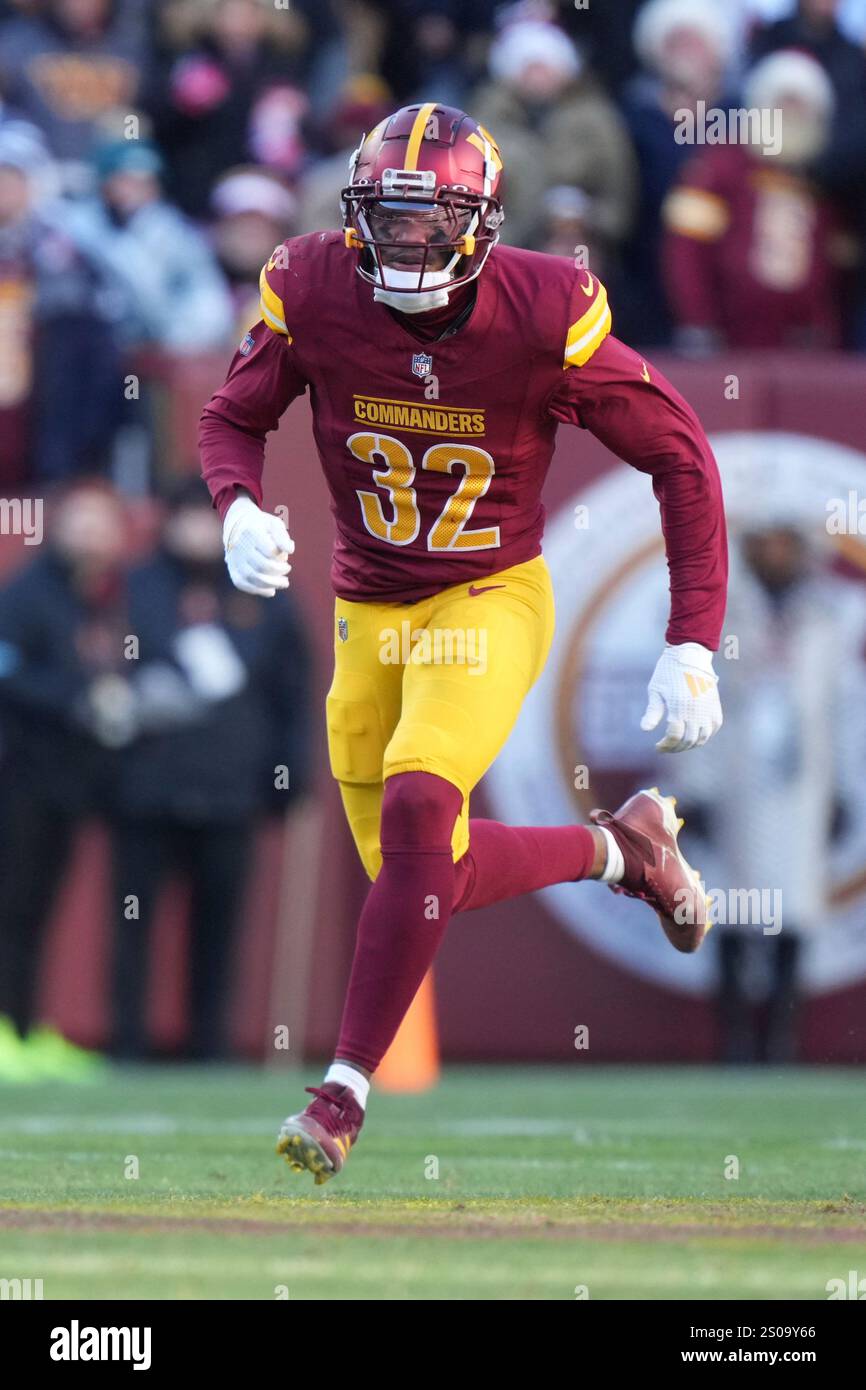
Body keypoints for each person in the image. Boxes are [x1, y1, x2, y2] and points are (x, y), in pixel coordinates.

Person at [199, 102, 727, 1184]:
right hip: (365, 611)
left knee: (415, 810)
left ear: (479, 225)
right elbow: (230, 417)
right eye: (383, 218)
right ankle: (620, 849)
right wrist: (236, 507)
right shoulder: (310, 283)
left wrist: (692, 640)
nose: (400, 242)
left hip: (486, 596)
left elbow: (679, 454)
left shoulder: (544, 310)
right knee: (419, 873)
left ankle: (340, 1093)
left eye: (424, 221)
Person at [110, 478, 312, 1061]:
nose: (197, 530)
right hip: (145, 789)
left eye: (208, 517)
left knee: (220, 927)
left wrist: (290, 776)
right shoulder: (135, 586)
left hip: (233, 791)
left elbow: (292, 693)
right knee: (133, 922)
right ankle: (127, 1043)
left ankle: (211, 1044)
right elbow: (102, 667)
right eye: (186, 517)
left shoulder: (262, 586)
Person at [0, 479, 131, 1081]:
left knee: (41, 907)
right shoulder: (29, 592)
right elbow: (9, 671)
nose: (92, 533)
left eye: (102, 521)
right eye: (81, 520)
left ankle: (26, 1027)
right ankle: (7, 1029)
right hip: (19, 776)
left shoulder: (97, 599)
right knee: (13, 905)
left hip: (65, 782)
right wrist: (79, 701)